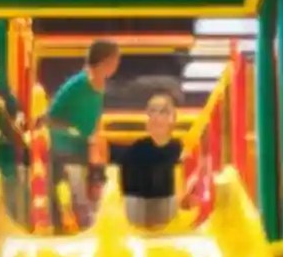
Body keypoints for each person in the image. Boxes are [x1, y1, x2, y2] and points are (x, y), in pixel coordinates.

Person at [42, 39, 120, 229]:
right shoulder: (81, 83)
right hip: (64, 143)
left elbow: (94, 119)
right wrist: (79, 135)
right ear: (104, 61)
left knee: (92, 180)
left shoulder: (99, 85)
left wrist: (96, 144)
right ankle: (81, 221)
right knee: (76, 187)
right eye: (115, 60)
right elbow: (52, 116)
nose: (116, 65)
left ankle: (90, 220)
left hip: (81, 145)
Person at [114, 90, 183, 228]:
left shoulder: (180, 150)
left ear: (173, 118)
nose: (156, 117)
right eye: (152, 111)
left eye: (163, 112)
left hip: (169, 215)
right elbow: (127, 194)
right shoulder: (135, 151)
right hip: (139, 212)